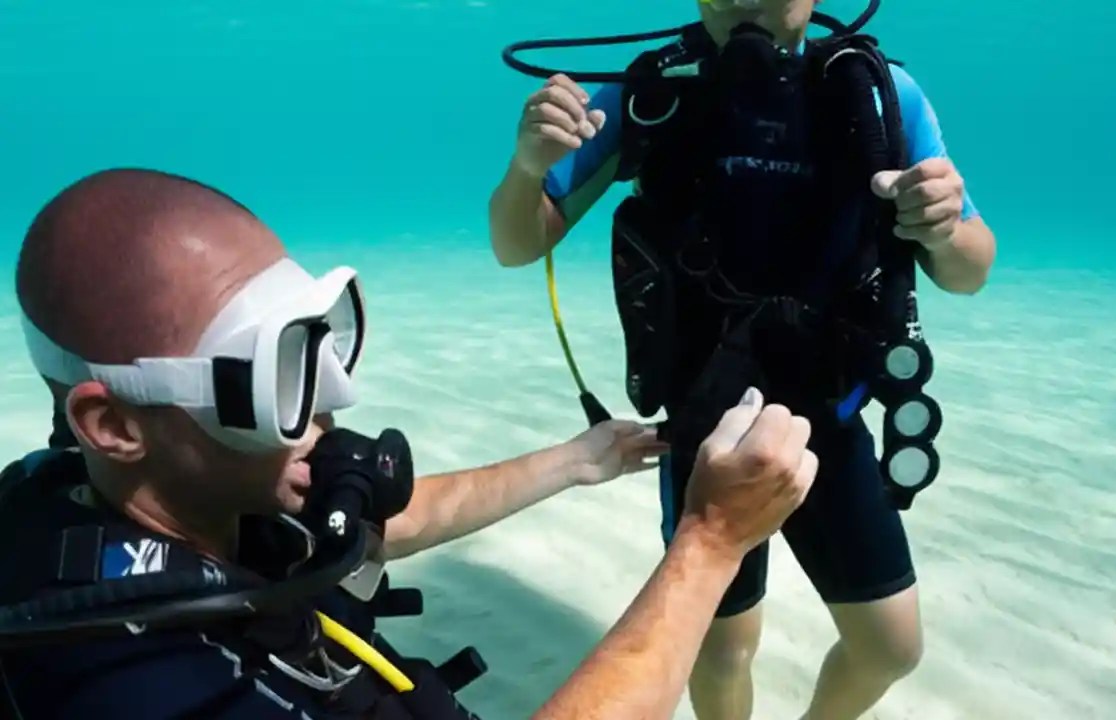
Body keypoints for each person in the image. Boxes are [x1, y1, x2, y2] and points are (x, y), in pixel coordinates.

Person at [0, 167, 819, 719]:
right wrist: (711, 542)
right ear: (114, 425)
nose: (333, 397)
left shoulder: (174, 487)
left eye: (318, 340)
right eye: (272, 372)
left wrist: (578, 460)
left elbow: (367, 523)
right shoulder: (151, 687)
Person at [487, 1, 997, 718]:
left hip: (830, 414)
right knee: (722, 651)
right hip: (704, 429)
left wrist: (944, 229)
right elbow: (517, 243)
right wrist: (526, 167)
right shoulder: (655, 94)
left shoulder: (876, 92)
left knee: (889, 646)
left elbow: (971, 269)